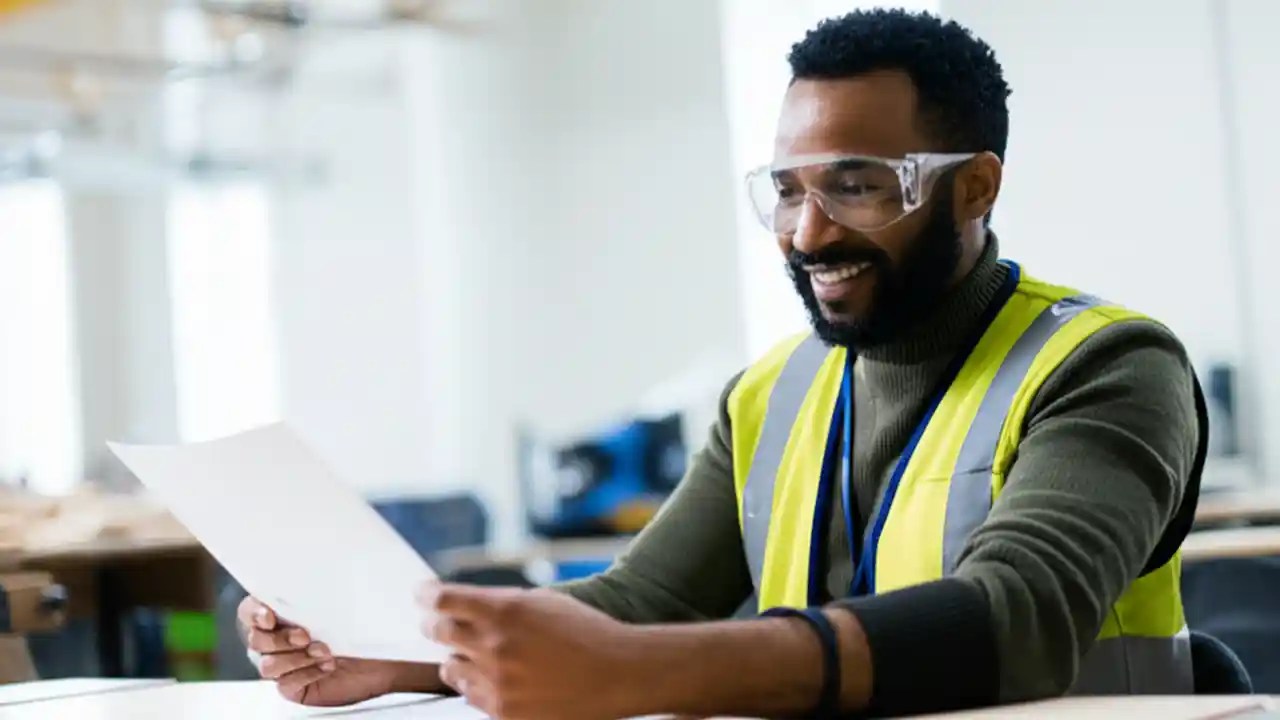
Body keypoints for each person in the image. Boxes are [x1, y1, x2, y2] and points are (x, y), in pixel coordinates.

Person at [238, 9, 1206, 718]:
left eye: (857, 187)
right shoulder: (770, 392)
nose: (807, 232)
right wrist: (397, 657)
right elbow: (638, 602)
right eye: (785, 191)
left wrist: (642, 672)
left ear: (974, 186)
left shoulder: (1105, 365)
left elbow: (1018, 616)